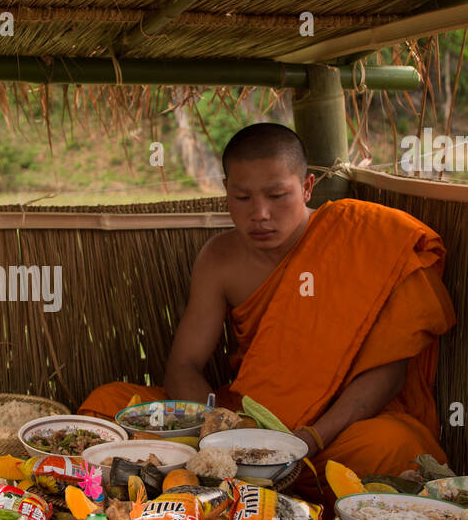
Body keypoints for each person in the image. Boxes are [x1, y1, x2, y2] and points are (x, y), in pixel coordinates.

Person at [80, 122, 455, 483]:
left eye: (277, 196)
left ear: (307, 187)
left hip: (337, 431)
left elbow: (388, 372)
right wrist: (224, 432)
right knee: (107, 404)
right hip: (248, 419)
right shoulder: (221, 259)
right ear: (226, 190)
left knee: (393, 446)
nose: (260, 214)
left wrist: (308, 439)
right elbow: (185, 364)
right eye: (242, 198)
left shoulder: (363, 236)